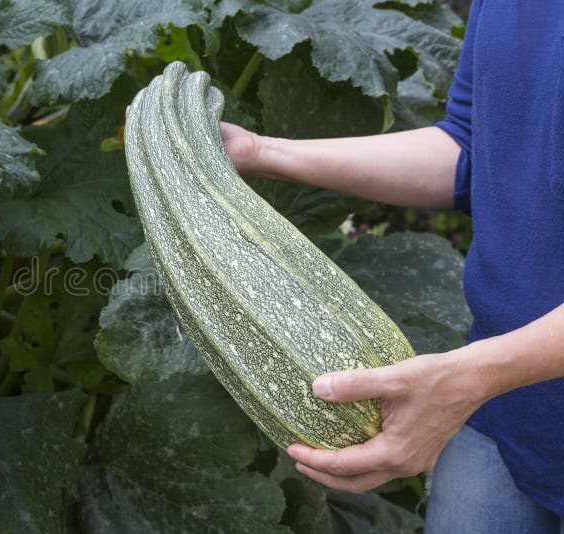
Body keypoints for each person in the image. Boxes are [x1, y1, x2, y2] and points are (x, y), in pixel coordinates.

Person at [220, 2, 564, 532]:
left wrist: (468, 378)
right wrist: (262, 152)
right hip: (500, 418)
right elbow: (469, 146)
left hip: (480, 381)